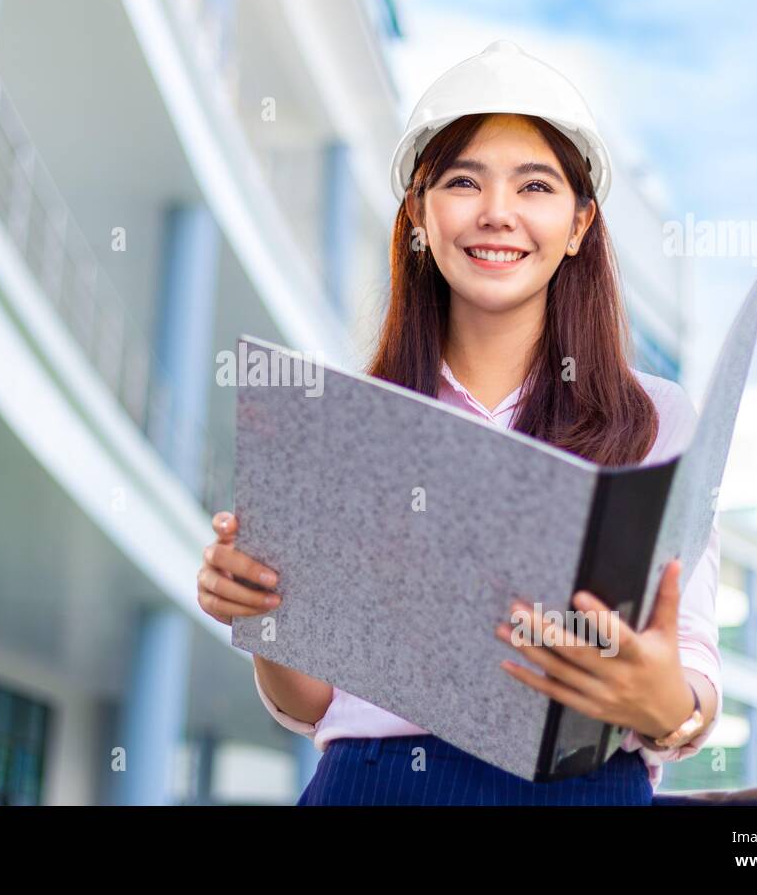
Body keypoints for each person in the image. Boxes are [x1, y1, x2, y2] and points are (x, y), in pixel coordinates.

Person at [197, 40, 722, 805]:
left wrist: (665, 705)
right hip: (373, 787)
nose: (497, 213)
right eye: (463, 181)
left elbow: (696, 668)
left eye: (535, 186)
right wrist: (265, 615)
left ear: (579, 224)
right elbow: (314, 704)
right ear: (418, 213)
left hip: (582, 789)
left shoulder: (655, 420)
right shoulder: (344, 422)